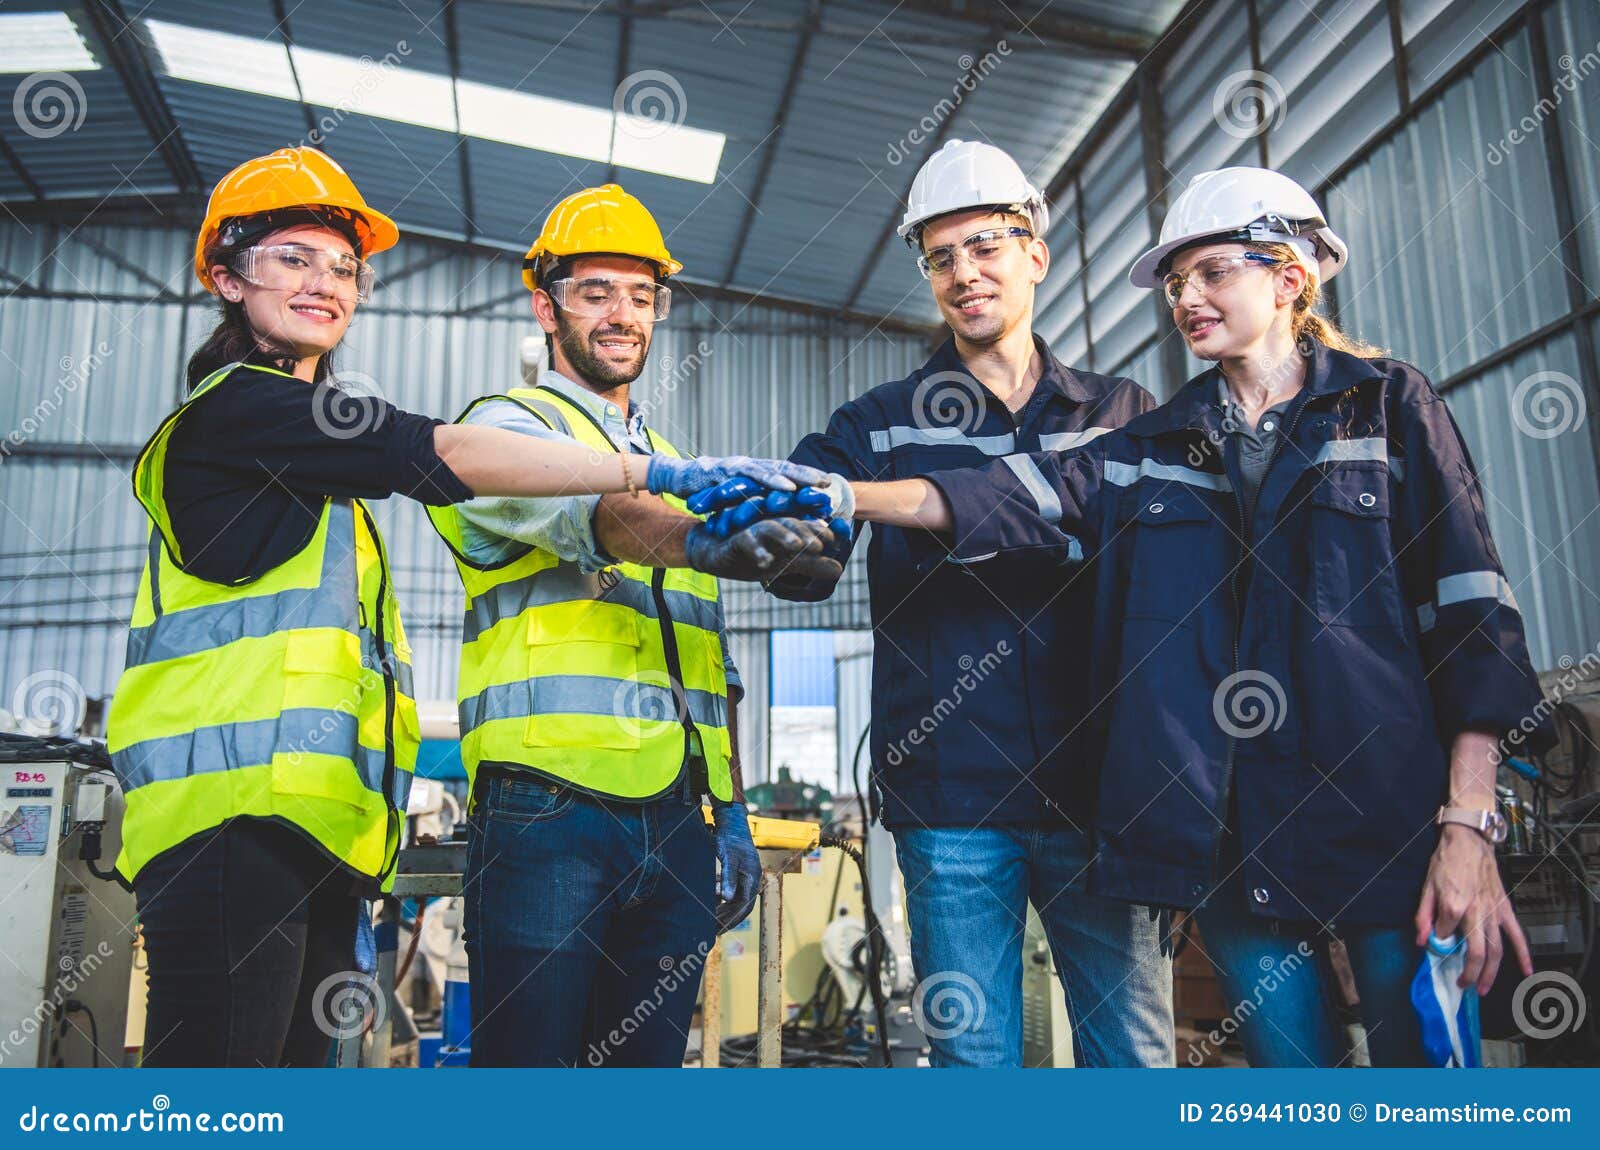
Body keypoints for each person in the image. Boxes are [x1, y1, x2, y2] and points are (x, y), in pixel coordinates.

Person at [104, 149, 828, 1068]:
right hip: (233, 825)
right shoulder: (238, 412)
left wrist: (722, 803)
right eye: (293, 258)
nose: (325, 283)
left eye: (342, 266)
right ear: (224, 275)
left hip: (318, 834)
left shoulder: (308, 455)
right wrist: (659, 480)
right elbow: (427, 452)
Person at [825, 167, 1549, 1065]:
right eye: (1176, 283)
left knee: (1424, 1086)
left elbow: (1474, 618)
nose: (1186, 299)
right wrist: (840, 494)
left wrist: (1466, 825)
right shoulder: (1153, 444)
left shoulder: (1392, 407)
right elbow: (1007, 497)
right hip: (1235, 850)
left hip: (1390, 828)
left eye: (1211, 273)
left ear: (1289, 276)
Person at [766, 140, 1171, 1067]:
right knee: (972, 1065)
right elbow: (806, 548)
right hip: (949, 799)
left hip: (1100, 790)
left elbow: (1155, 573)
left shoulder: (1118, 410)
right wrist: (767, 526)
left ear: (1036, 252)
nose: (964, 274)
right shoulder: (876, 423)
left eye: (985, 246)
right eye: (941, 257)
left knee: (1133, 1061)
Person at [425, 184, 838, 1067]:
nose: (623, 315)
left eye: (641, 296)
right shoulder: (504, 427)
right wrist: (705, 539)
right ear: (547, 306)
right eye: (596, 292)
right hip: (548, 809)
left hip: (677, 816)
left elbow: (707, 662)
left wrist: (726, 809)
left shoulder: (681, 462)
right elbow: (607, 516)